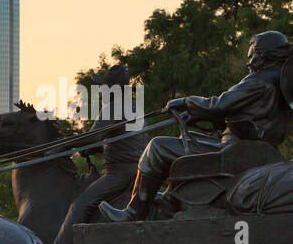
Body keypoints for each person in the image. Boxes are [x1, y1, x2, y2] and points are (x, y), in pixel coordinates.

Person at [100, 31, 293, 223]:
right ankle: (169, 199)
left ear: (261, 55)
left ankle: (133, 212)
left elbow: (219, 104)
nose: (248, 62)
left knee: (158, 148)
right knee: (188, 139)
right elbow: (246, 117)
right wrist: (195, 116)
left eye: (250, 55)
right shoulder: (281, 84)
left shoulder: (259, 80)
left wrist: (185, 101)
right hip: (259, 151)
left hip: (234, 153)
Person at [49, 64, 148, 244]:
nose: (100, 91)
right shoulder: (135, 107)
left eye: (103, 87)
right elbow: (111, 140)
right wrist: (89, 148)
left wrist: (62, 146)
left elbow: (93, 137)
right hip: (139, 172)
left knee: (79, 205)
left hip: (119, 173)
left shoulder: (113, 107)